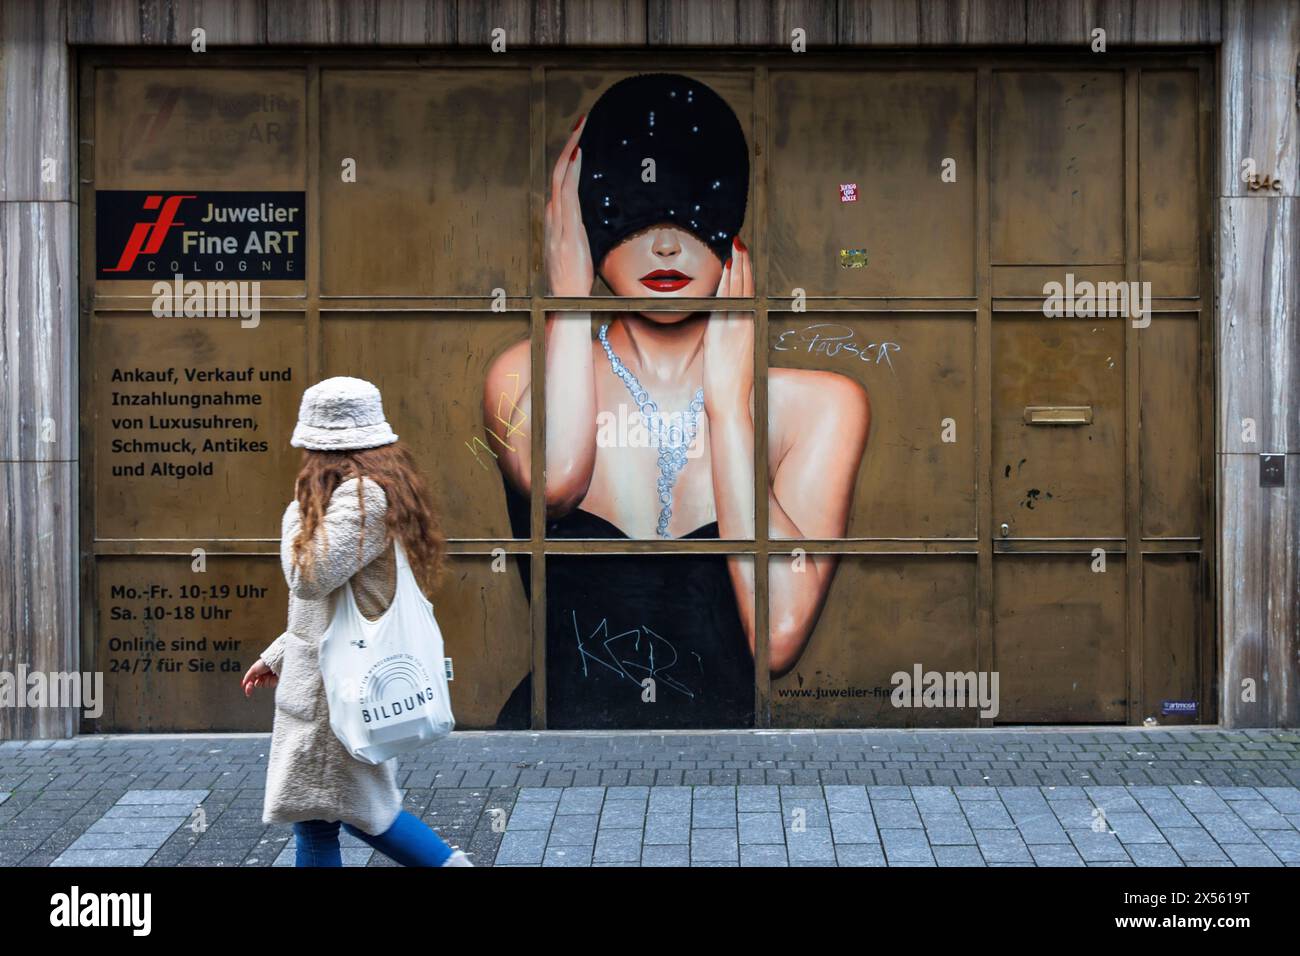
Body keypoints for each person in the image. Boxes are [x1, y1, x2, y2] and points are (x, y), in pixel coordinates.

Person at [484, 74, 870, 729]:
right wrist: (570, 302)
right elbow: (555, 483)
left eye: (693, 211)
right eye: (630, 212)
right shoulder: (522, 376)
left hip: (725, 780)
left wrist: (728, 408)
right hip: (550, 766)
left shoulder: (819, 408)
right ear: (578, 222)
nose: (665, 245)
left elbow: (777, 636)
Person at [241, 376, 472, 867]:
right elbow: (332, 605)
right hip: (323, 684)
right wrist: (278, 655)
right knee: (339, 815)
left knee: (351, 817)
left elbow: (308, 577)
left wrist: (295, 514)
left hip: (332, 695)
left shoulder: (361, 500)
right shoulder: (361, 494)